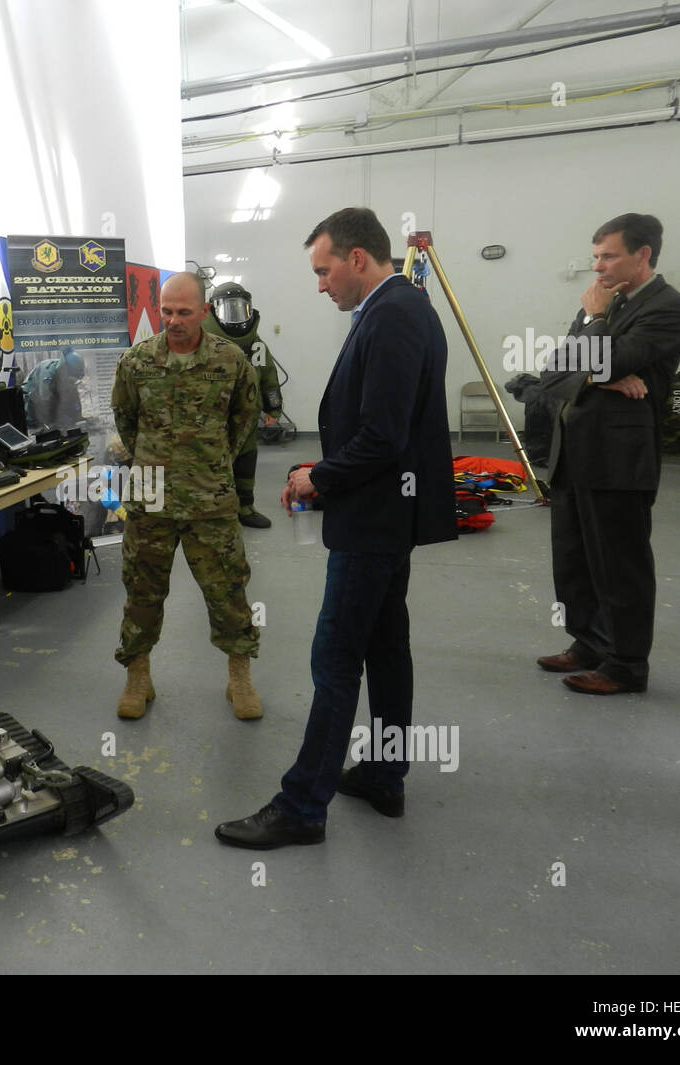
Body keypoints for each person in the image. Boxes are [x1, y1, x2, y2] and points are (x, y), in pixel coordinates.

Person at [215, 207, 455, 850]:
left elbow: (384, 435)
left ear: (356, 258)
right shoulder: (390, 308)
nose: (320, 284)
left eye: (324, 270)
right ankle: (384, 772)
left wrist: (317, 478)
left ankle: (302, 805)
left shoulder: (396, 312)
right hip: (383, 514)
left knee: (335, 659)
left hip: (373, 523)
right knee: (385, 650)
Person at [536, 213, 680, 696]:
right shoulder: (601, 305)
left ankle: (626, 663)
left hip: (619, 458)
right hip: (573, 454)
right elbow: (554, 371)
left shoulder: (667, 306)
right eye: (596, 257)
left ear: (643, 255)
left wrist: (598, 326)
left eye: (609, 256)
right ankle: (589, 642)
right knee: (575, 557)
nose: (598, 267)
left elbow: (608, 359)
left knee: (619, 563)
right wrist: (595, 367)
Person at [111, 272, 263, 720]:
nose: (173, 321)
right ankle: (138, 675)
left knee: (228, 589)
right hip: (151, 494)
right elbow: (126, 420)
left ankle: (239, 677)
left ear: (204, 312)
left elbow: (244, 418)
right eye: (166, 311)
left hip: (209, 496)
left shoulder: (231, 361)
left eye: (183, 312)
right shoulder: (136, 361)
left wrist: (212, 461)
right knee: (142, 587)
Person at [201, 282, 284, 528]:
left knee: (246, 465)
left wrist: (273, 409)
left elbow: (269, 378)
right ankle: (214, 512)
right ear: (213, 310)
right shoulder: (203, 343)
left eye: (240, 308)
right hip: (212, 421)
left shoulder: (256, 345)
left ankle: (245, 507)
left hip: (247, 420)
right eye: (229, 308)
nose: (236, 315)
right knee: (212, 466)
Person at [21, 348, 85, 429]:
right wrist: (57, 419)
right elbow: (44, 403)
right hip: (32, 397)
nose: (73, 382)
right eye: (72, 379)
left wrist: (78, 417)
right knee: (38, 424)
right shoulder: (47, 374)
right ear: (65, 372)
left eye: (75, 380)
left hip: (51, 394)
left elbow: (74, 398)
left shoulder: (69, 376)